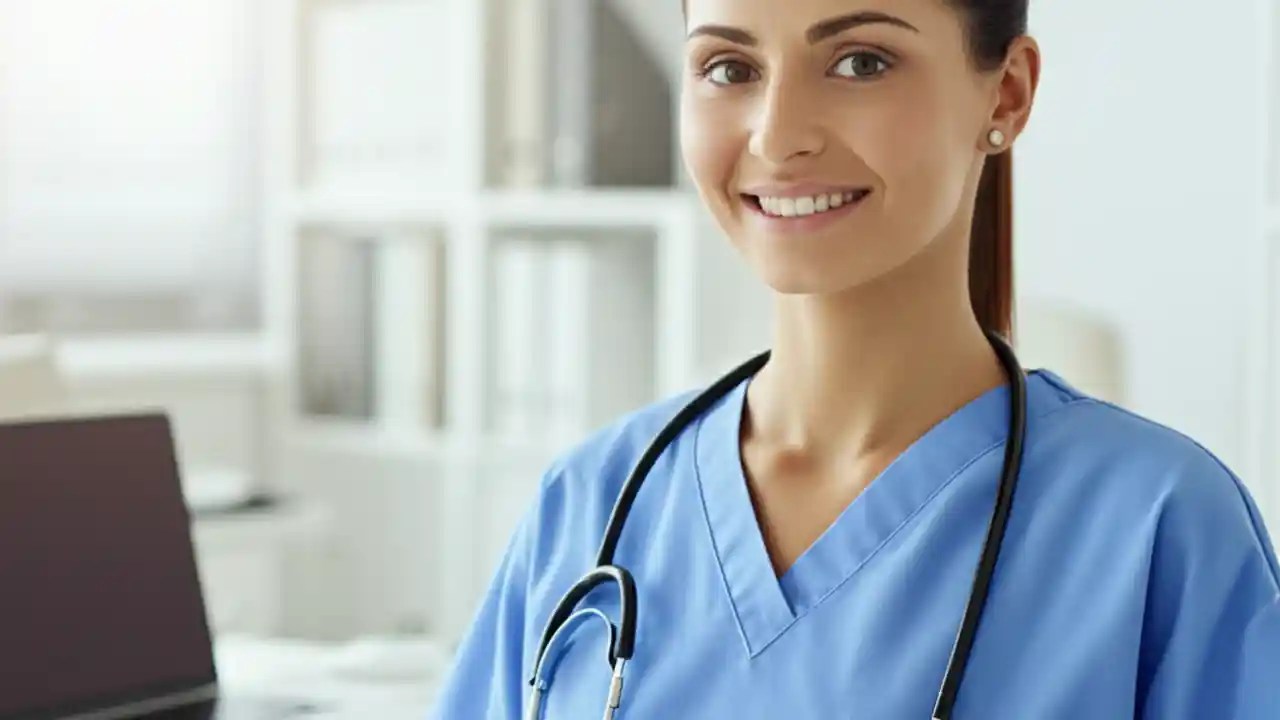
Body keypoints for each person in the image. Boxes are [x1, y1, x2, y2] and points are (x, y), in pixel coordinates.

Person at [431, 0, 1280, 716]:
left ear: (1009, 93)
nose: (777, 137)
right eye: (730, 69)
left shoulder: (1157, 527)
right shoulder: (590, 502)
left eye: (862, 62)